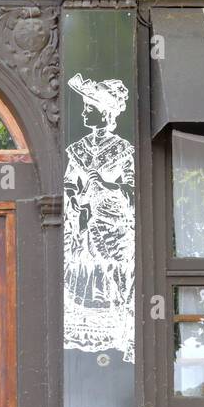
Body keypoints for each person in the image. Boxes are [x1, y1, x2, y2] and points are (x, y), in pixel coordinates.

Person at [63, 72, 136, 362]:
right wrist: (74, 200)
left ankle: (120, 336)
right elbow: (69, 181)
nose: (84, 112)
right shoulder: (78, 149)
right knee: (84, 275)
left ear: (105, 114)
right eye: (83, 107)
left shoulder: (122, 150)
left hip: (114, 225)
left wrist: (108, 185)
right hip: (85, 223)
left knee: (115, 278)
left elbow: (132, 187)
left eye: (89, 109)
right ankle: (88, 335)